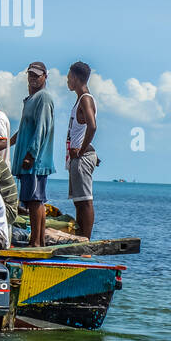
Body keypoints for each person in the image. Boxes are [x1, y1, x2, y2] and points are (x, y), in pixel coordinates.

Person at [11, 61, 56, 247]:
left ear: (45, 76)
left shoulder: (43, 97)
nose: (33, 78)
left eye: (37, 75)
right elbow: (24, 130)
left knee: (35, 200)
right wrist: (5, 143)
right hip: (27, 161)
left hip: (35, 161)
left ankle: (35, 241)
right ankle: (39, 240)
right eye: (30, 75)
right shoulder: (31, 99)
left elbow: (42, 129)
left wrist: (31, 154)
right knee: (34, 200)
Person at [65, 61, 99, 239]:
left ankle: (86, 241)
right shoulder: (79, 99)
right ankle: (80, 239)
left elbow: (92, 126)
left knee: (85, 201)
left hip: (80, 157)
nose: (67, 80)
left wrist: (82, 150)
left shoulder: (86, 98)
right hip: (77, 157)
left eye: (69, 77)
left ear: (76, 78)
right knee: (78, 202)